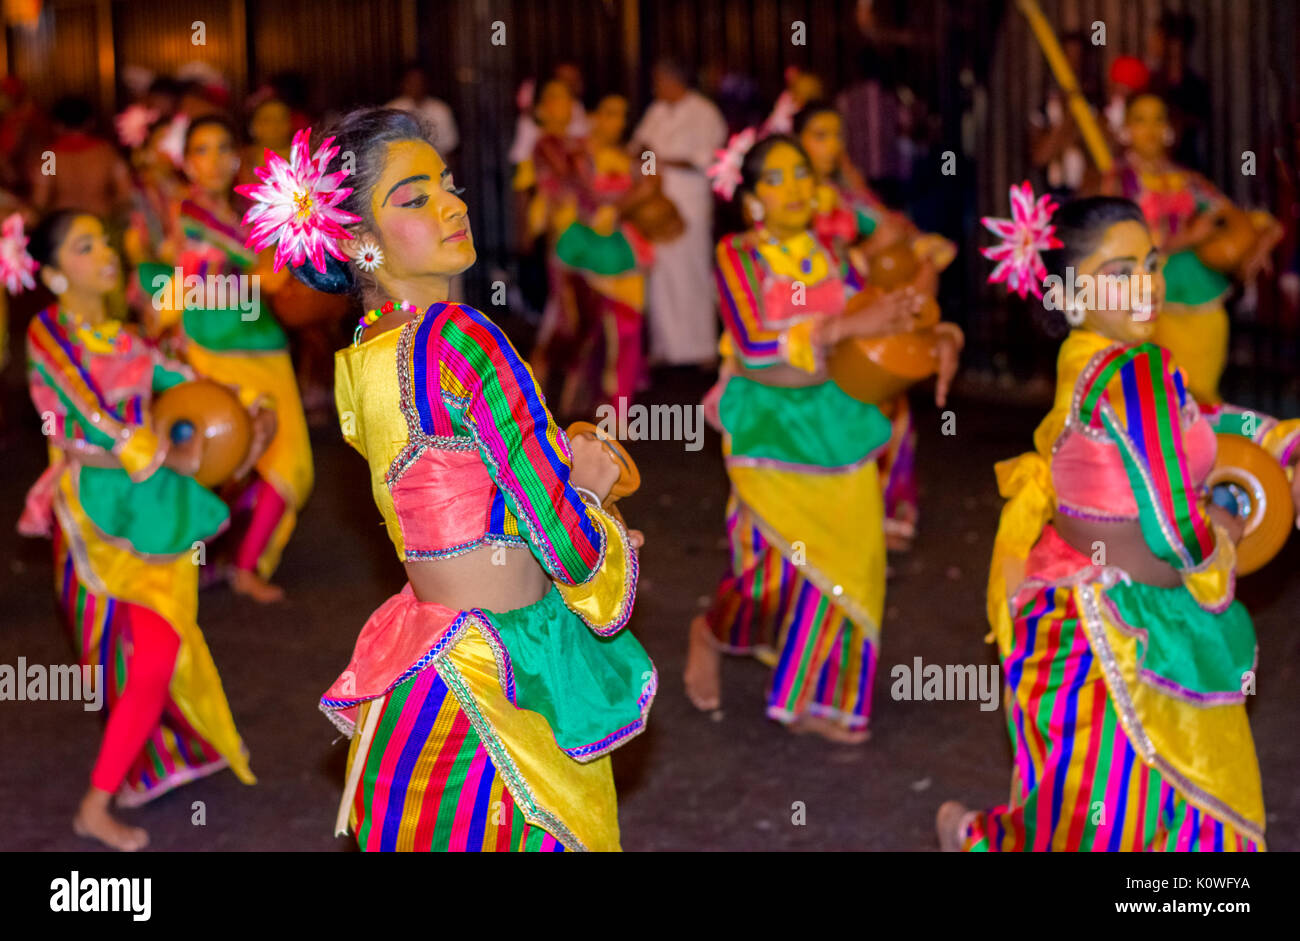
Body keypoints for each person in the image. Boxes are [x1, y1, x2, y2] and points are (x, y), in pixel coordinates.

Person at [239, 108, 655, 850]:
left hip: (424, 670)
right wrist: (589, 491)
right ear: (359, 243)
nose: (453, 203)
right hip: (497, 676)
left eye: (449, 185)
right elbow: (562, 544)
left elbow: (456, 488)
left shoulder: (362, 357)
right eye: (415, 196)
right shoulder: (463, 339)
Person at [939, 194, 1300, 852]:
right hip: (1113, 625)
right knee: (1124, 813)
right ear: (1069, 293)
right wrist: (1229, 521)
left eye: (1153, 263)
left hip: (1117, 609)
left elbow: (1207, 418)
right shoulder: (1133, 370)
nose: (1148, 286)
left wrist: (1280, 438)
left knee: (1127, 807)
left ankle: (975, 834)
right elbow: (1173, 527)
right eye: (1119, 272)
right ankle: (976, 835)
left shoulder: (1101, 355)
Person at [683, 134, 961, 742]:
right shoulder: (739, 255)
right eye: (777, 179)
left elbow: (885, 316)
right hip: (771, 428)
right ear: (753, 199)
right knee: (774, 576)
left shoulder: (835, 254)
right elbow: (756, 347)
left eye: (802, 174)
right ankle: (712, 631)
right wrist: (839, 326)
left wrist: (938, 333)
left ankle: (823, 699)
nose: (795, 188)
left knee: (854, 559)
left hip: (837, 424)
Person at [15, 209, 258, 851]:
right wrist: (159, 452)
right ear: (52, 273)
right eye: (85, 246)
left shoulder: (128, 339)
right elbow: (85, 414)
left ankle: (135, 770)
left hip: (157, 510)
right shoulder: (49, 335)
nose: (106, 253)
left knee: (157, 653)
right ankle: (96, 806)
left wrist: (237, 414)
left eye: (105, 240)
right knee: (135, 655)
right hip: (97, 519)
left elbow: (183, 386)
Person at [151, 115, 315, 602]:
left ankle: (240, 564)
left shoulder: (251, 213)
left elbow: (274, 272)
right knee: (220, 456)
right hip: (212, 348)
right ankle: (205, 563)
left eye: (224, 147)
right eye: (202, 150)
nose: (215, 159)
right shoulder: (189, 214)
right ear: (186, 161)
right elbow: (251, 272)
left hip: (264, 345)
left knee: (288, 461)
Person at [795, 100, 956, 551]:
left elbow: (890, 226)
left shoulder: (845, 197)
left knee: (886, 396)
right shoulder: (789, 196)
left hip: (859, 306)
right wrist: (863, 255)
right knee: (828, 406)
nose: (830, 146)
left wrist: (914, 245)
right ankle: (828, 516)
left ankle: (887, 508)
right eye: (819, 135)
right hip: (814, 310)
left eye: (837, 137)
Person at [1097, 94, 1282, 405]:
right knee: (1158, 401)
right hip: (1148, 304)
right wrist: (1188, 237)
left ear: (1169, 128)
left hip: (1202, 301)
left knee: (1203, 401)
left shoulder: (1188, 179)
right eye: (1141, 119)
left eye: (1158, 119)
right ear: (1125, 128)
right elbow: (1119, 244)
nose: (1151, 129)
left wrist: (1255, 249)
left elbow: (1244, 218)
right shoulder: (1117, 181)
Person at [629, 59, 727, 367]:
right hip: (656, 204)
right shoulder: (656, 112)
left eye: (659, 79)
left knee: (693, 271)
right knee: (659, 272)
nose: (656, 86)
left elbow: (707, 160)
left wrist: (661, 160)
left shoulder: (705, 113)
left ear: (674, 80)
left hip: (689, 204)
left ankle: (701, 348)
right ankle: (664, 348)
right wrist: (648, 159)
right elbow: (638, 147)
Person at [30, 96, 133, 223]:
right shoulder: (107, 153)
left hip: (64, 226)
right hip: (101, 222)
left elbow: (40, 200)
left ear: (57, 125)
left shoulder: (49, 156)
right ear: (90, 122)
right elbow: (126, 195)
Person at [386, 64, 458, 155]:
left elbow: (449, 147)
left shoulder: (440, 109)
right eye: (411, 82)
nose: (416, 86)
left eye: (419, 81)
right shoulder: (391, 109)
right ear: (402, 84)